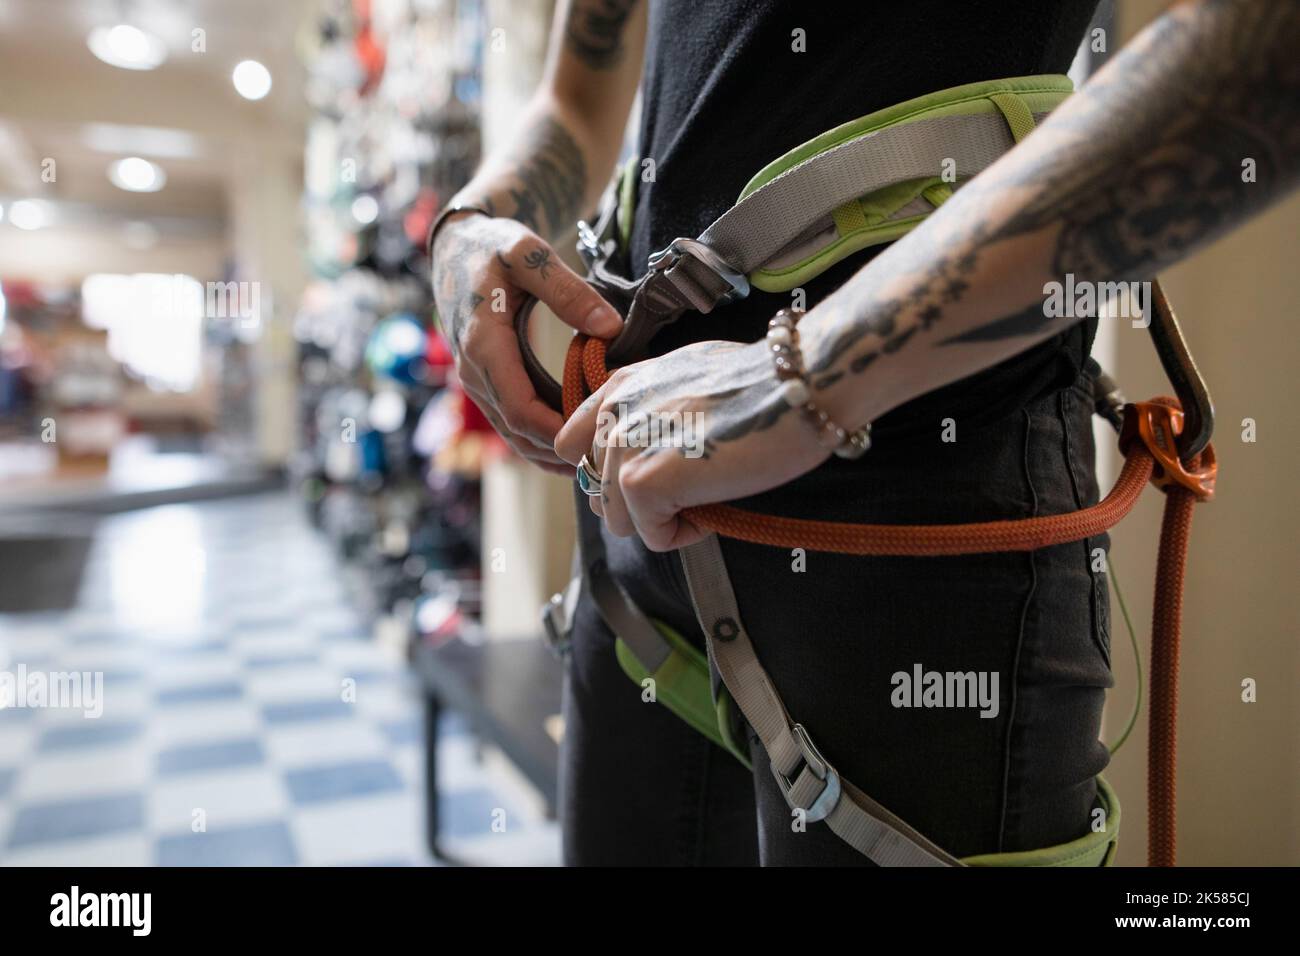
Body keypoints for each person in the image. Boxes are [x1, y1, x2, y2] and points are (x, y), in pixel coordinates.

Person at [430, 0, 1300, 865]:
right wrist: (466, 224)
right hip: (640, 515)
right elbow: (579, 101)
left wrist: (811, 373)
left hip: (923, 526)